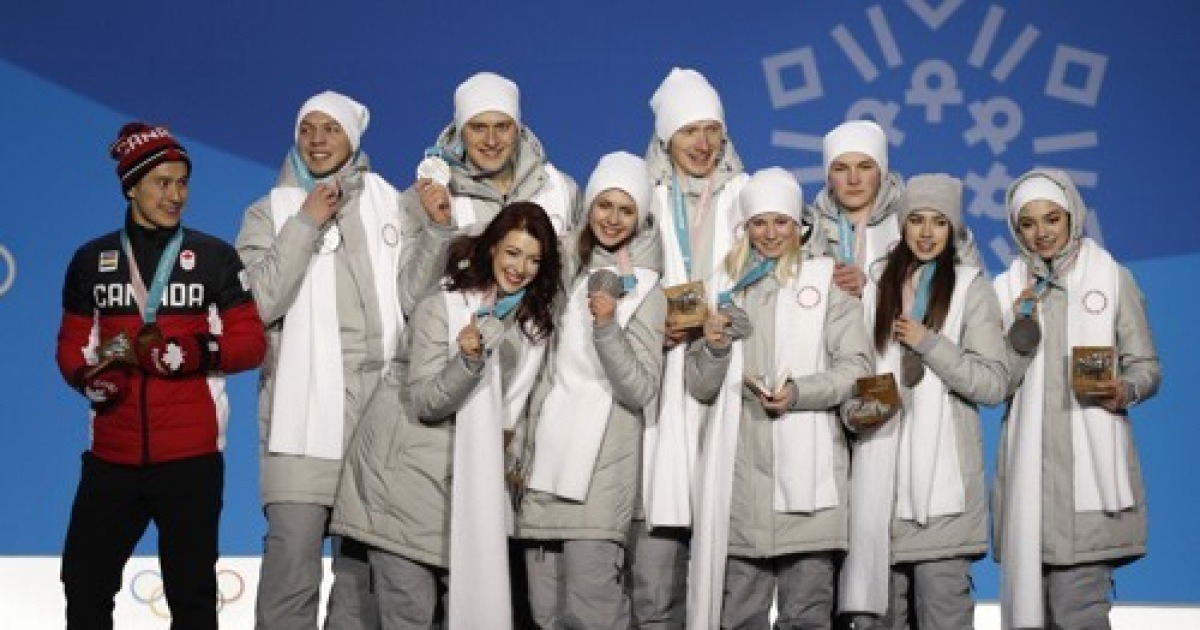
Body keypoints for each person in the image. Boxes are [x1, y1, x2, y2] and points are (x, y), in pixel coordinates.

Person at [55, 122, 266, 629]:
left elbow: (250, 343)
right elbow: (71, 348)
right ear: (131, 187)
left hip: (190, 459)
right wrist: (91, 379)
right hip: (112, 456)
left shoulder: (214, 257)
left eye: (182, 183)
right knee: (83, 583)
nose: (177, 196)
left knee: (191, 595)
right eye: (163, 184)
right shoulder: (91, 261)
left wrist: (192, 352)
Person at [236, 91, 426, 630]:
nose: (317, 139)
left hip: (377, 416)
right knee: (291, 572)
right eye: (307, 129)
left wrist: (434, 231)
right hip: (300, 417)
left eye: (331, 129)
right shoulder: (267, 211)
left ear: (353, 139)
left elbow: (415, 298)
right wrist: (305, 223)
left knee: (361, 582)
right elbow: (257, 304)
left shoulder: (393, 203)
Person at [332, 201, 562, 629]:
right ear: (492, 248)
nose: (521, 268)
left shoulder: (534, 327)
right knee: (408, 617)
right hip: (404, 483)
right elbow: (426, 401)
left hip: (466, 493)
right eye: (512, 253)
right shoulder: (442, 306)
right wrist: (471, 360)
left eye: (534, 259)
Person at [684, 167, 872, 628]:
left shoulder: (827, 280)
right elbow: (699, 384)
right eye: (760, 223)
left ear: (799, 226)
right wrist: (712, 345)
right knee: (740, 616)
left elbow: (857, 367)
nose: (770, 234)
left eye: (781, 222)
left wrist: (800, 393)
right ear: (744, 227)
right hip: (740, 483)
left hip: (811, 484)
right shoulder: (717, 287)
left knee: (806, 617)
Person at [838, 174, 1009, 630]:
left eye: (939, 222)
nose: (927, 233)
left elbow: (994, 384)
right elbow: (854, 373)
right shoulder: (876, 284)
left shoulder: (972, 286)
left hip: (943, 497)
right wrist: (856, 412)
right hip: (881, 492)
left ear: (954, 229)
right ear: (902, 224)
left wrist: (930, 344)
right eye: (916, 220)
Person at [993, 170, 1160, 630]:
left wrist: (1125, 389)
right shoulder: (1004, 291)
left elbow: (1146, 366)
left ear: (1072, 217)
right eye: (1027, 223)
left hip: (1090, 484)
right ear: (1015, 229)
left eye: (1052, 219)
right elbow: (994, 383)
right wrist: (1017, 327)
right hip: (1030, 486)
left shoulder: (1111, 277)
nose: (1041, 233)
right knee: (1037, 615)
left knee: (1078, 613)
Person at [515, 152, 667, 628]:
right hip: (543, 469)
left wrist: (607, 327)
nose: (613, 219)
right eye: (605, 205)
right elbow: (541, 371)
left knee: (593, 610)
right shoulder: (561, 274)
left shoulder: (649, 289)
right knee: (545, 613)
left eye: (626, 210)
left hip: (601, 474)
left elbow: (640, 387)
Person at [635, 66, 751, 628]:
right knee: (656, 552)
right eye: (689, 132)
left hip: (729, 372)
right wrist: (654, 326)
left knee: (728, 551)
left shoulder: (747, 197)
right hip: (659, 378)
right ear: (665, 139)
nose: (702, 144)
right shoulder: (641, 196)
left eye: (712, 131)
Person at [404, 71, 580, 296]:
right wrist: (438, 229)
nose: (491, 140)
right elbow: (410, 299)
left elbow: (578, 285)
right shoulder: (429, 197)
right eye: (478, 127)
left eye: (502, 126)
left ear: (517, 129)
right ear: (460, 131)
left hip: (541, 330)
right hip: (462, 331)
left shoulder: (561, 189)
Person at [809, 120, 981, 298]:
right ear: (828, 176)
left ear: (882, 172)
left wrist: (867, 289)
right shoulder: (809, 232)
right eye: (841, 168)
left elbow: (970, 293)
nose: (854, 179)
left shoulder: (918, 219)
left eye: (865, 167)